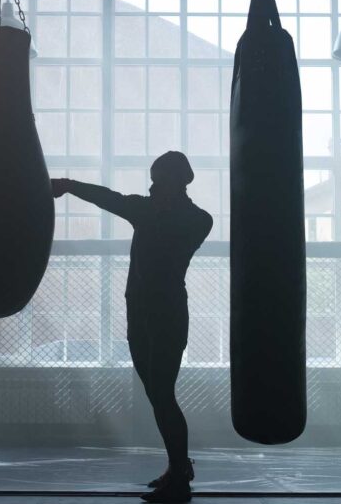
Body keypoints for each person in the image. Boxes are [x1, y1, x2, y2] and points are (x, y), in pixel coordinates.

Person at [51, 151, 212, 503]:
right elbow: (108, 198)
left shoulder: (195, 219)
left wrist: (154, 211)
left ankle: (180, 472)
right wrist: (69, 185)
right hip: (140, 313)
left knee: (163, 394)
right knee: (157, 395)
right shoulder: (149, 211)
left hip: (166, 314)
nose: (151, 186)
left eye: (158, 180)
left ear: (175, 182)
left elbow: (170, 238)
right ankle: (178, 467)